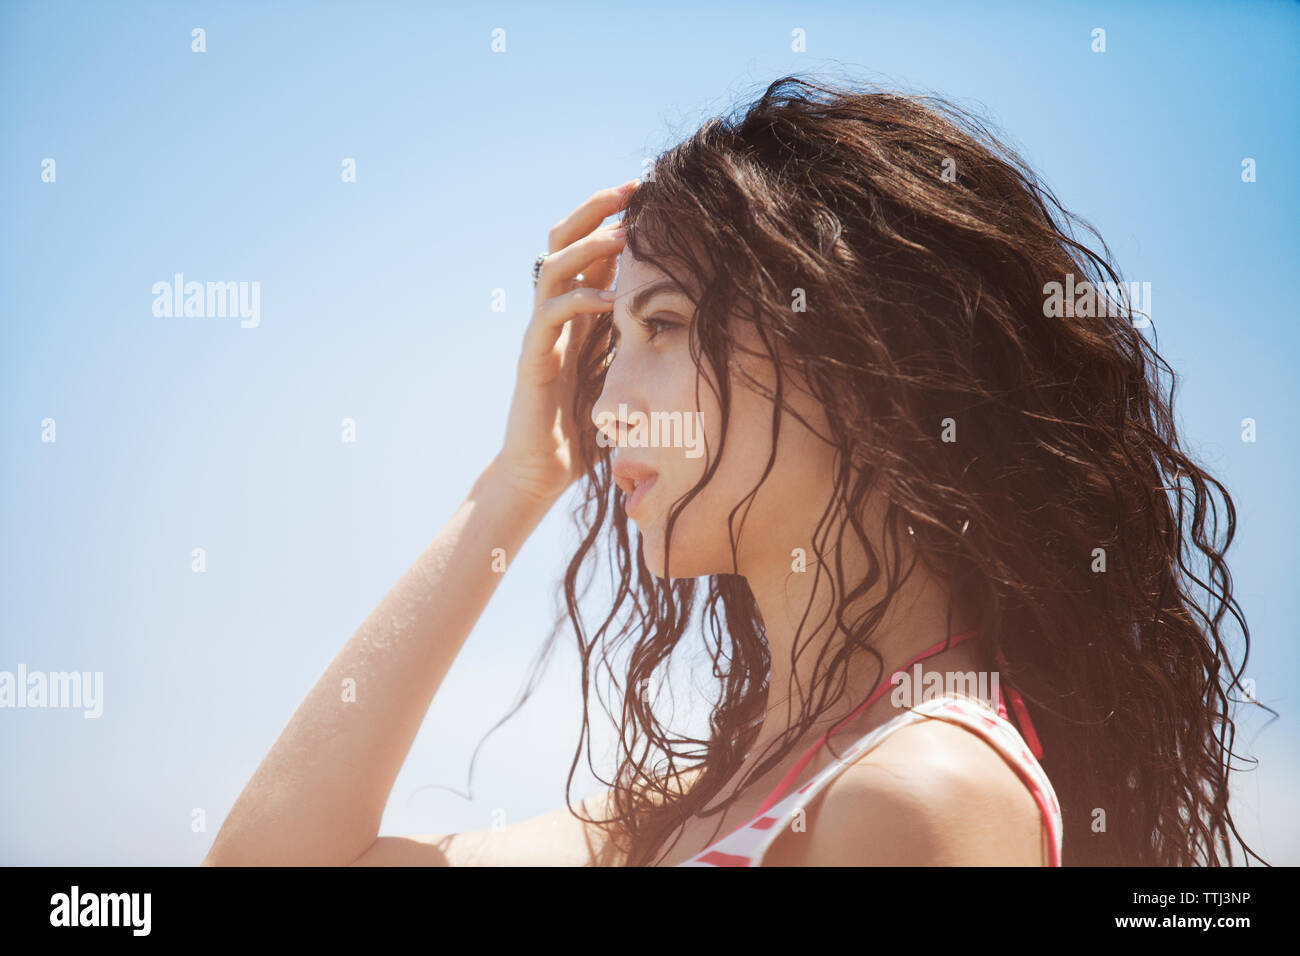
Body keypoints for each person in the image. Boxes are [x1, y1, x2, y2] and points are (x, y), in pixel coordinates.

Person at [204, 75, 1263, 867]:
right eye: (608, 344)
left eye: (662, 324)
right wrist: (520, 474)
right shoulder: (693, 799)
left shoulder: (918, 789)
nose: (610, 403)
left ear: (866, 356)